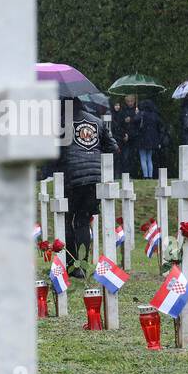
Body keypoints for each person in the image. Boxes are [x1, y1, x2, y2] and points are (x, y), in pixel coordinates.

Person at [60, 97, 118, 270]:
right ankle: (83, 266)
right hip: (94, 178)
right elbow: (113, 147)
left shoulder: (62, 123)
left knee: (67, 219)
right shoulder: (97, 122)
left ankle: (71, 264)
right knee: (83, 221)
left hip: (72, 179)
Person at [135, 97, 164, 179]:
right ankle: (150, 176)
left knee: (143, 158)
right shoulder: (155, 115)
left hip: (142, 139)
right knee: (149, 158)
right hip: (152, 140)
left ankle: (145, 175)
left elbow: (134, 121)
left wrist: (137, 113)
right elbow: (160, 126)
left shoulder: (141, 114)